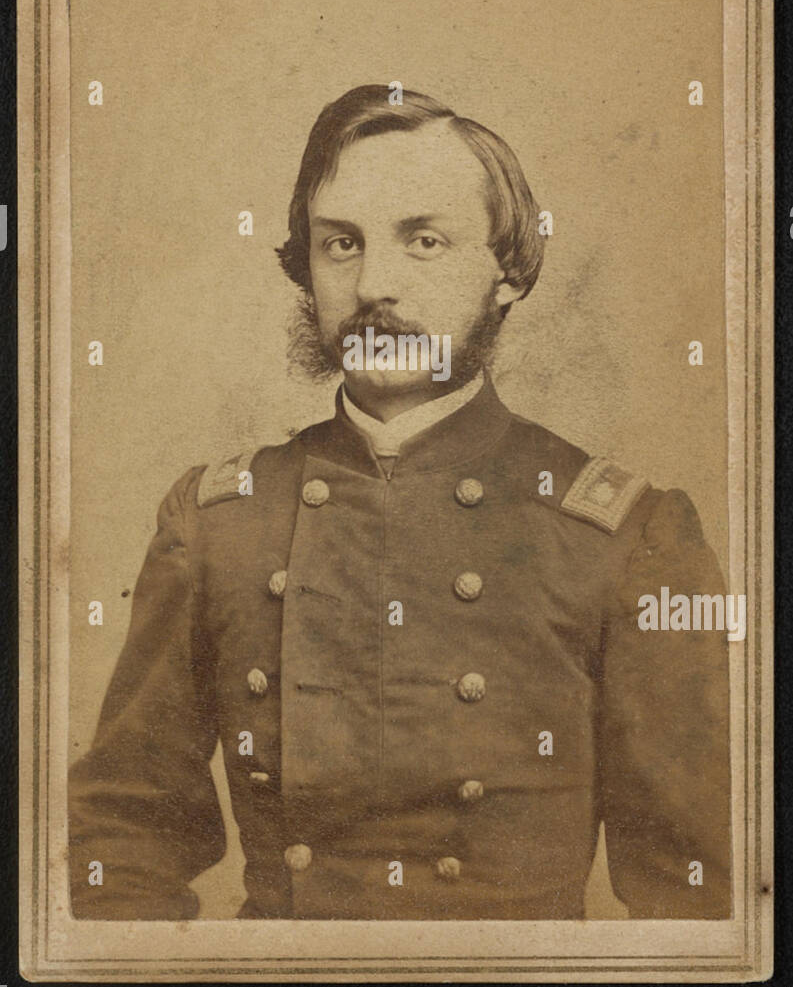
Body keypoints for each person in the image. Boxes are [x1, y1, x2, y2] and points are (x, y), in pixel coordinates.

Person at [69, 85, 732, 921]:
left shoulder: (627, 533)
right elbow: (122, 839)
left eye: (423, 241)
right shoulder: (216, 521)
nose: (374, 284)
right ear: (304, 269)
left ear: (507, 274)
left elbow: (695, 896)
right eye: (340, 244)